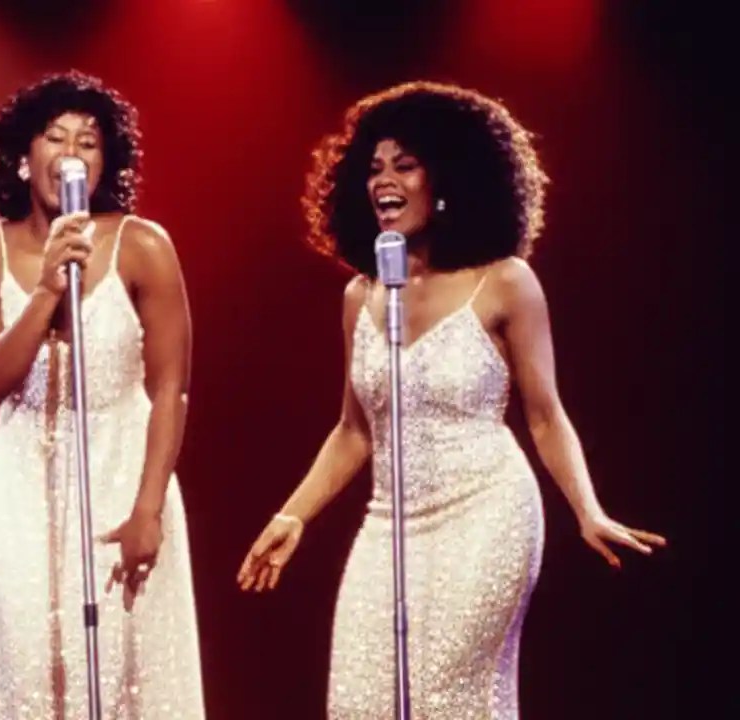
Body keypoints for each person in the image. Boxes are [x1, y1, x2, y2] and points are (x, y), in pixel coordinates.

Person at [235, 80, 667, 718]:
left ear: (446, 180)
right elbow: (355, 430)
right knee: (361, 699)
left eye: (405, 165)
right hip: (388, 523)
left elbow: (545, 416)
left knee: (445, 691)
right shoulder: (361, 297)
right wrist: (292, 515)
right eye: (375, 168)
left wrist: (588, 509)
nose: (385, 179)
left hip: (485, 513)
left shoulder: (505, 283)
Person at [0, 70, 205, 718]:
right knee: (31, 669)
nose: (73, 151)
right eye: (56, 137)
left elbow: (172, 385)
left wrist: (149, 507)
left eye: (89, 141)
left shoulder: (142, 246)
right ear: (22, 156)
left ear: (106, 160)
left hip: (121, 477)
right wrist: (45, 291)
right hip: (17, 494)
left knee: (121, 672)